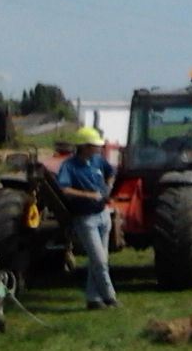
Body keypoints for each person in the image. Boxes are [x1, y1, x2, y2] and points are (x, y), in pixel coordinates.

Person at [57, 127, 118, 309]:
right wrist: (89, 195)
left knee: (98, 261)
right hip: (85, 219)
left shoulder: (98, 161)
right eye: (95, 146)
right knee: (99, 260)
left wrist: (109, 186)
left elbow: (111, 172)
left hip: (103, 216)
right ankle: (110, 297)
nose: (99, 149)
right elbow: (64, 189)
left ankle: (93, 299)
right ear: (84, 147)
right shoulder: (69, 166)